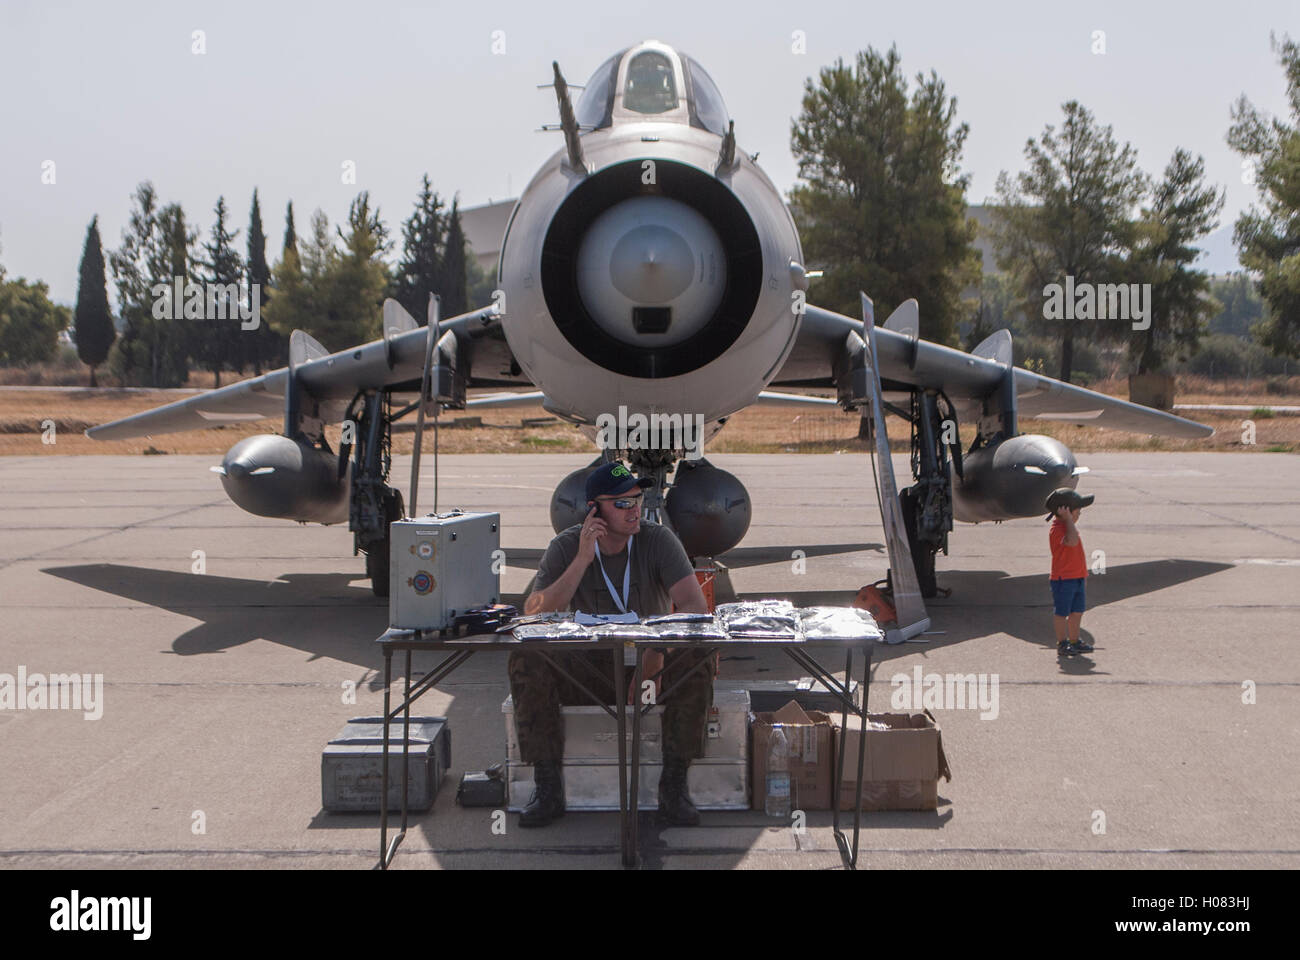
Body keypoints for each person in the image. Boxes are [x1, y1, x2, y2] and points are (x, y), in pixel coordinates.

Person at [508, 461, 712, 828]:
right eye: (620, 503)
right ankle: (548, 785)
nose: (633, 508)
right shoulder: (567, 545)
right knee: (528, 655)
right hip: (592, 667)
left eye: (636, 498)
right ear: (593, 511)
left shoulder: (658, 540)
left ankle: (674, 785)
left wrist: (656, 656)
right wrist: (582, 560)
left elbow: (695, 608)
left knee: (698, 654)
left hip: (650, 664)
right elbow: (533, 613)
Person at [1045, 488, 1095, 657]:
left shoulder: (1068, 526)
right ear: (1066, 511)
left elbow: (1077, 554)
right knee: (1062, 613)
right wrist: (1068, 521)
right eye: (1077, 510)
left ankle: (1074, 640)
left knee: (1077, 611)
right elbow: (1072, 542)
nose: (1079, 513)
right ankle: (1062, 642)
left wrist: (1083, 575)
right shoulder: (1057, 529)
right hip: (1063, 579)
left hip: (1077, 577)